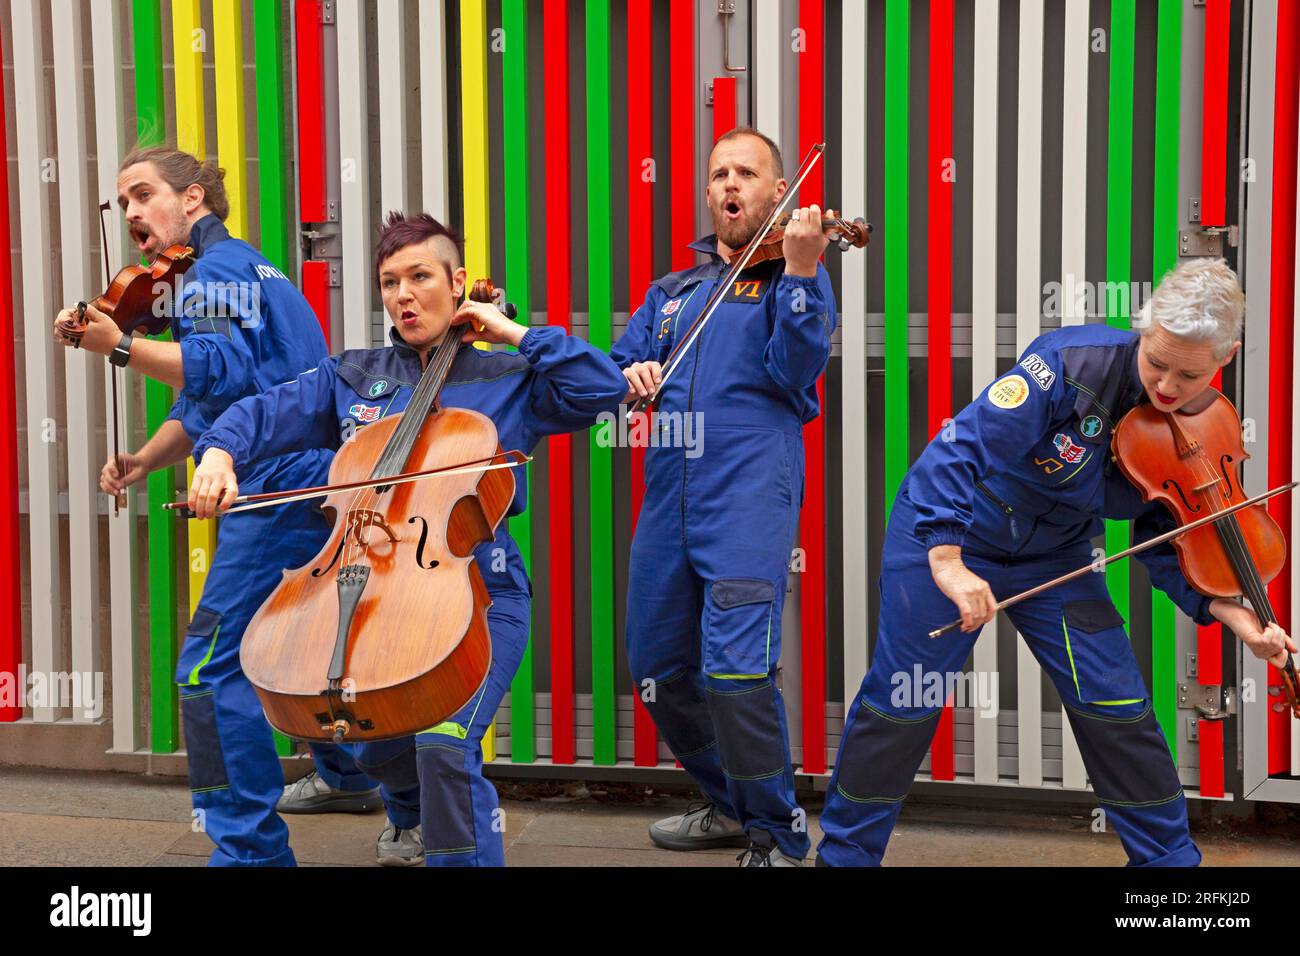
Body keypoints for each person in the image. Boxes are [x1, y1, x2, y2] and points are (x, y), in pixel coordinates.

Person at [817, 258, 1296, 866]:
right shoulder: (1069, 366)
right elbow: (959, 449)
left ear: (1223, 360)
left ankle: (1173, 874)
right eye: (1157, 363)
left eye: (1190, 375)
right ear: (1142, 329)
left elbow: (1166, 530)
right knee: (902, 703)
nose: (1169, 387)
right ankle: (845, 859)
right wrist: (946, 560)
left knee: (1117, 706)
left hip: (1058, 559)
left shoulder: (1199, 424)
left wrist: (1227, 610)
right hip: (950, 534)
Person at [186, 211, 628, 867]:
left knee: (445, 742)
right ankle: (414, 815)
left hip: (477, 594)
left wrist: (514, 331)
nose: (403, 295)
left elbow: (605, 386)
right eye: (390, 281)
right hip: (365, 590)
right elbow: (261, 413)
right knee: (371, 737)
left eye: (420, 277)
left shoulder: (508, 376)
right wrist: (220, 454)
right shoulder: (356, 375)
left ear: (456, 284)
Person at [53, 146, 378, 865]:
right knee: (308, 655)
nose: (133, 212)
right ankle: (352, 777)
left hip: (271, 489)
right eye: (124, 202)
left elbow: (220, 367)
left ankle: (247, 851)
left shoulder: (215, 270)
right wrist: (144, 459)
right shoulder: (254, 268)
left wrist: (118, 348)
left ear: (193, 199)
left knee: (205, 668)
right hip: (311, 483)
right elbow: (217, 399)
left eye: (144, 195)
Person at [609, 126, 838, 866]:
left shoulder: (789, 275)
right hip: (666, 502)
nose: (730, 185)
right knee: (655, 668)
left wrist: (801, 274)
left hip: (745, 499)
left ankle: (776, 832)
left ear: (780, 192)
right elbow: (619, 366)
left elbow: (796, 371)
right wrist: (630, 376)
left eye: (746, 173)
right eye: (718, 174)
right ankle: (730, 802)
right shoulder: (672, 292)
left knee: (737, 674)